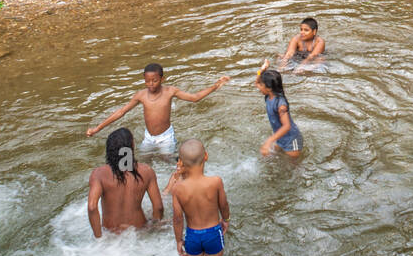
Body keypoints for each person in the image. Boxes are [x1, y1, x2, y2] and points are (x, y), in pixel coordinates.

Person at [87, 64, 230, 153]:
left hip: (166, 137)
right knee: (141, 163)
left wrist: (215, 85)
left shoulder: (170, 91)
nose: (151, 84)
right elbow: (121, 112)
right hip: (148, 138)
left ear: (162, 79)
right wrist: (97, 129)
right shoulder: (141, 95)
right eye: (147, 81)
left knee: (169, 164)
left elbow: (195, 98)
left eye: (154, 81)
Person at [170, 138, 232, 256]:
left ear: (181, 161)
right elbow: (223, 205)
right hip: (213, 233)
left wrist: (179, 240)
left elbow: (177, 218)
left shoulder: (177, 188)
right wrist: (226, 220)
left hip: (193, 235)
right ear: (205, 156)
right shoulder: (215, 182)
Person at [87, 128, 163, 237]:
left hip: (111, 234)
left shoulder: (99, 174)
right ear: (132, 147)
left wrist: (99, 238)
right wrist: (154, 228)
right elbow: (158, 207)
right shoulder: (146, 171)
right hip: (139, 231)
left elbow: (92, 207)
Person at [255, 67, 303, 158]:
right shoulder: (268, 96)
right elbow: (256, 82)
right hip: (281, 138)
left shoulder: (281, 105)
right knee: (267, 157)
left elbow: (287, 126)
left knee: (293, 167)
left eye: (261, 85)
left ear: (268, 88)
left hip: (292, 140)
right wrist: (261, 70)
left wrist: (269, 141)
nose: (258, 86)